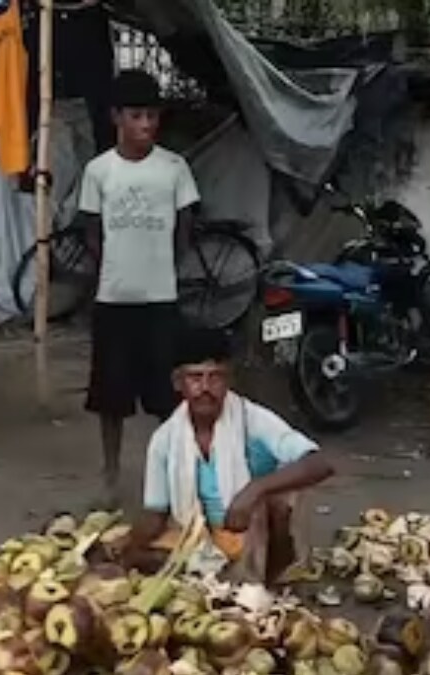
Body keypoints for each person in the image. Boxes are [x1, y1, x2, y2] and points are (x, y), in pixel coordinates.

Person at [122, 328, 334, 583]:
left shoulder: (252, 420)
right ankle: (212, 572)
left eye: (215, 377)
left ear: (229, 380)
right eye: (195, 378)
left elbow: (319, 463)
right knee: (142, 556)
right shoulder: (165, 439)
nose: (205, 388)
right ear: (178, 383)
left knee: (271, 501)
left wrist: (255, 489)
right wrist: (127, 546)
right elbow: (156, 512)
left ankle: (262, 579)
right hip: (201, 538)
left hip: (254, 534)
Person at [78, 69, 200, 509]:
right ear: (116, 117)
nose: (145, 125)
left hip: (160, 301)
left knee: (166, 397)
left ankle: (170, 475)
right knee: (110, 398)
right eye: (136, 116)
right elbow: (91, 229)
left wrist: (166, 266)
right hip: (113, 300)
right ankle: (110, 476)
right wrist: (112, 266)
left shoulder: (174, 168)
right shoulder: (98, 171)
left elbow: (185, 225)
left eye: (152, 116)